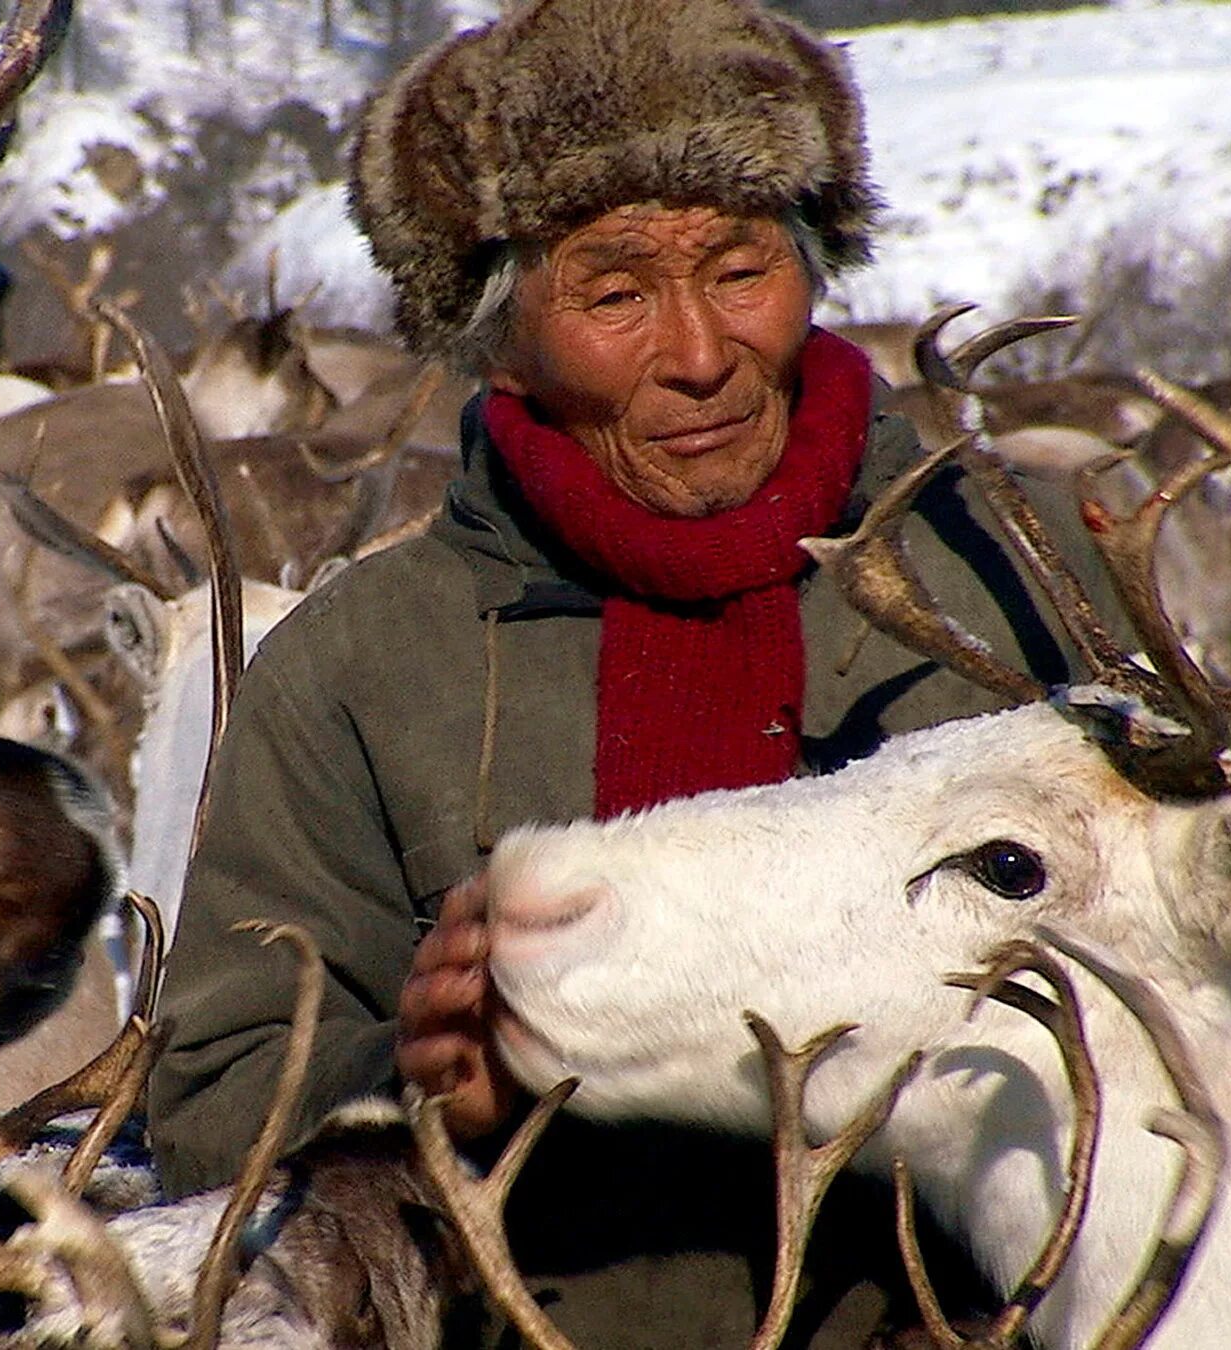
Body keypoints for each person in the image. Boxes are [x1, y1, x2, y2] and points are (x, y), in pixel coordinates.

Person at [144, 0, 1113, 1343]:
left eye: (738, 270)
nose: (701, 353)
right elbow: (211, 1104)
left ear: (814, 263)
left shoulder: (1027, 573)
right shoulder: (363, 663)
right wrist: (414, 1083)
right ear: (497, 333)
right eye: (613, 293)